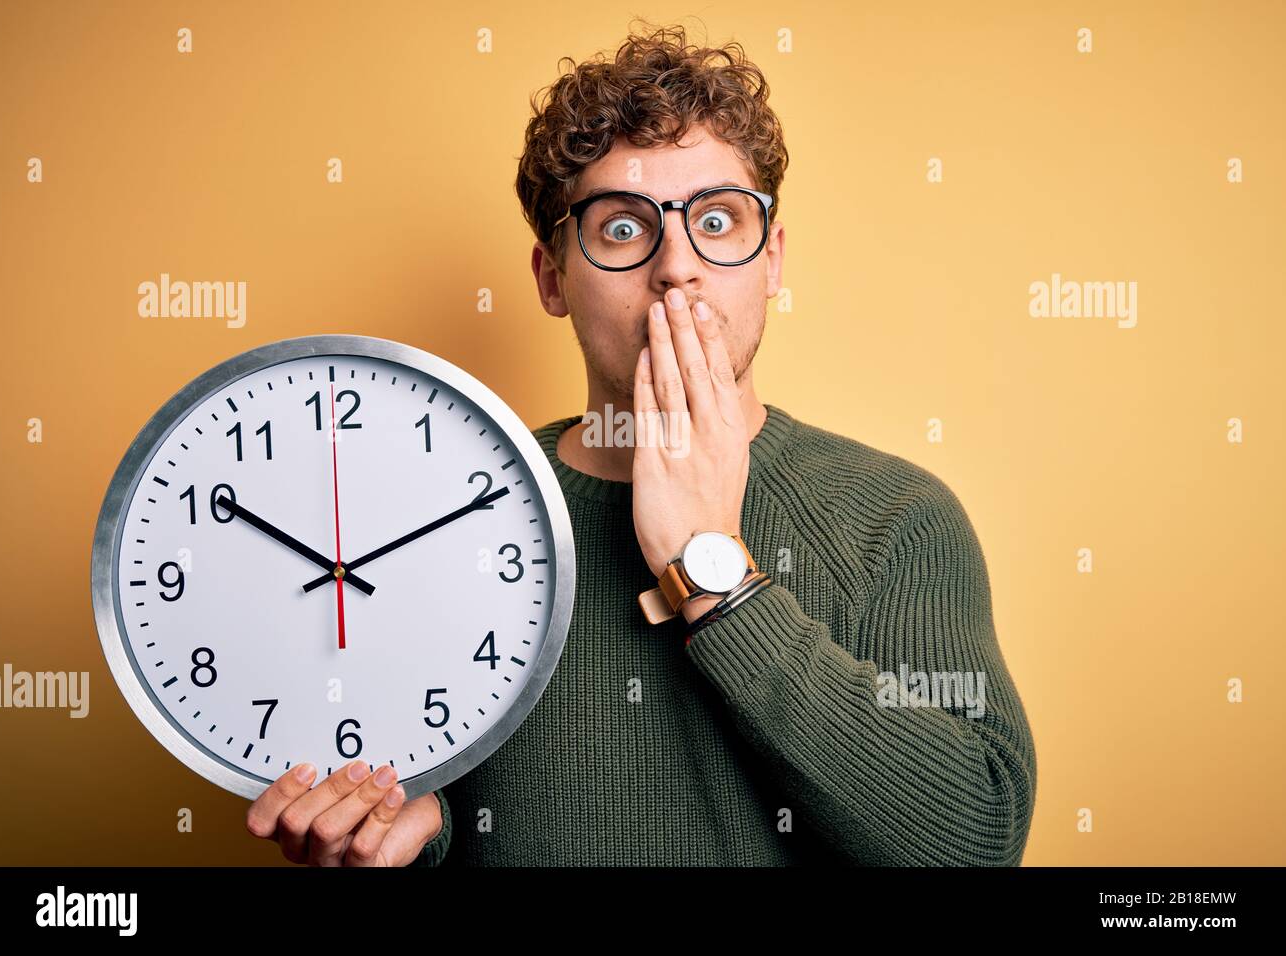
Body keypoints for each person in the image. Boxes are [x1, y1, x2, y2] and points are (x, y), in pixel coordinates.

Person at [246, 21, 1037, 867]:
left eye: (718, 221)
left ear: (770, 261)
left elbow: (977, 842)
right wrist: (402, 846)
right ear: (552, 278)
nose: (676, 267)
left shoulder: (898, 519)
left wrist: (709, 569)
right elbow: (438, 808)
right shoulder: (448, 518)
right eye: (623, 228)